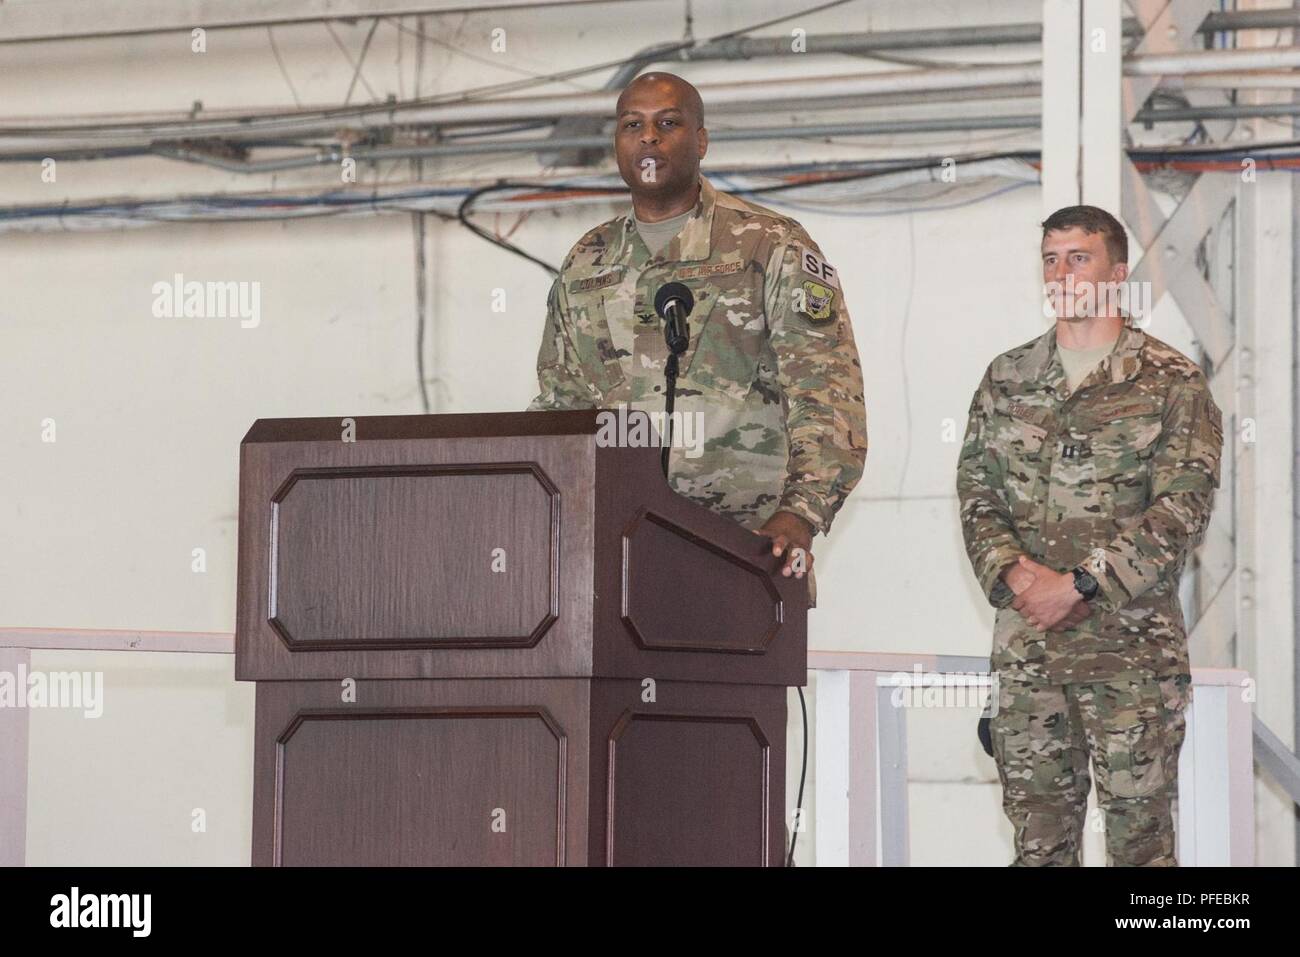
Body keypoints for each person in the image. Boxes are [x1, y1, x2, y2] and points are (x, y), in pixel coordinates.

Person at [956, 205, 1223, 866]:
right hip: (1031, 659)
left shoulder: (1169, 380)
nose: (1061, 272)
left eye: (1079, 258)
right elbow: (977, 491)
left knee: (1141, 852)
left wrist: (1082, 581)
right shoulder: (1008, 379)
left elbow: (1181, 508)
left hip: (1131, 663)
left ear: (1118, 272)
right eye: (1050, 258)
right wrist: (1020, 576)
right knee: (1038, 849)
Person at [529, 72, 867, 583]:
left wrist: (800, 515)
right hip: (610, 557)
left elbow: (828, 395)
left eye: (668, 123)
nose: (648, 137)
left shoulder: (768, 244)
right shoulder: (586, 261)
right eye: (631, 125)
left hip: (745, 550)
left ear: (701, 140)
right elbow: (560, 409)